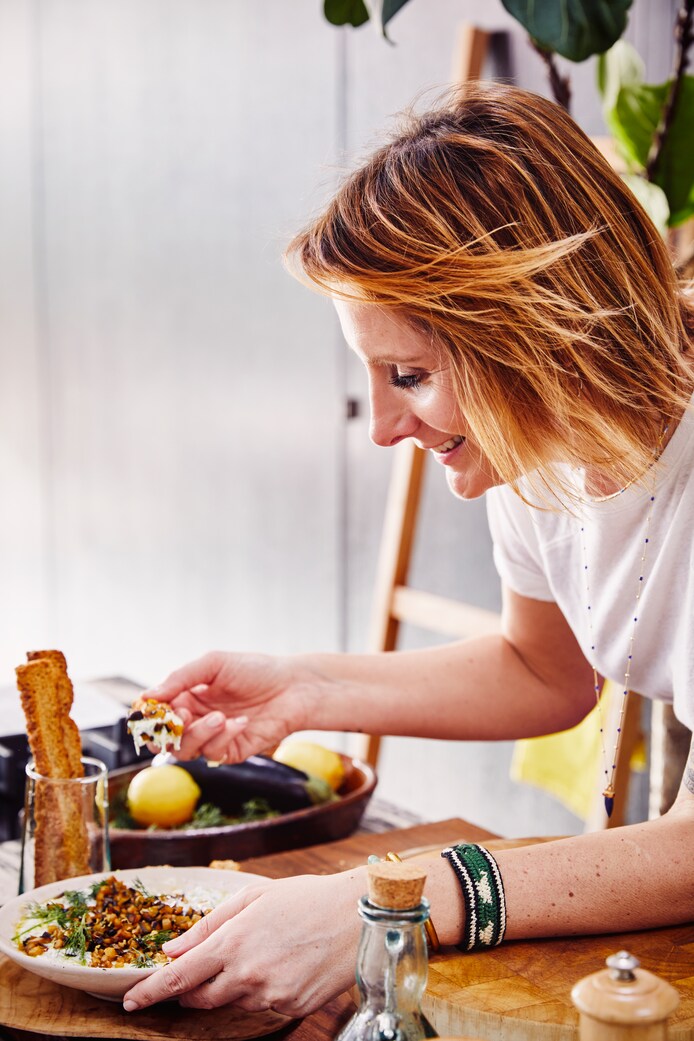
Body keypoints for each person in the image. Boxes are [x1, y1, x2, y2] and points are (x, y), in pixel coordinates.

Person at [123, 82, 694, 1018]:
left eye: (412, 376)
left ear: (538, 329)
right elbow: (544, 670)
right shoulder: (541, 450)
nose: (386, 428)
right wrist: (309, 688)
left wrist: (394, 902)